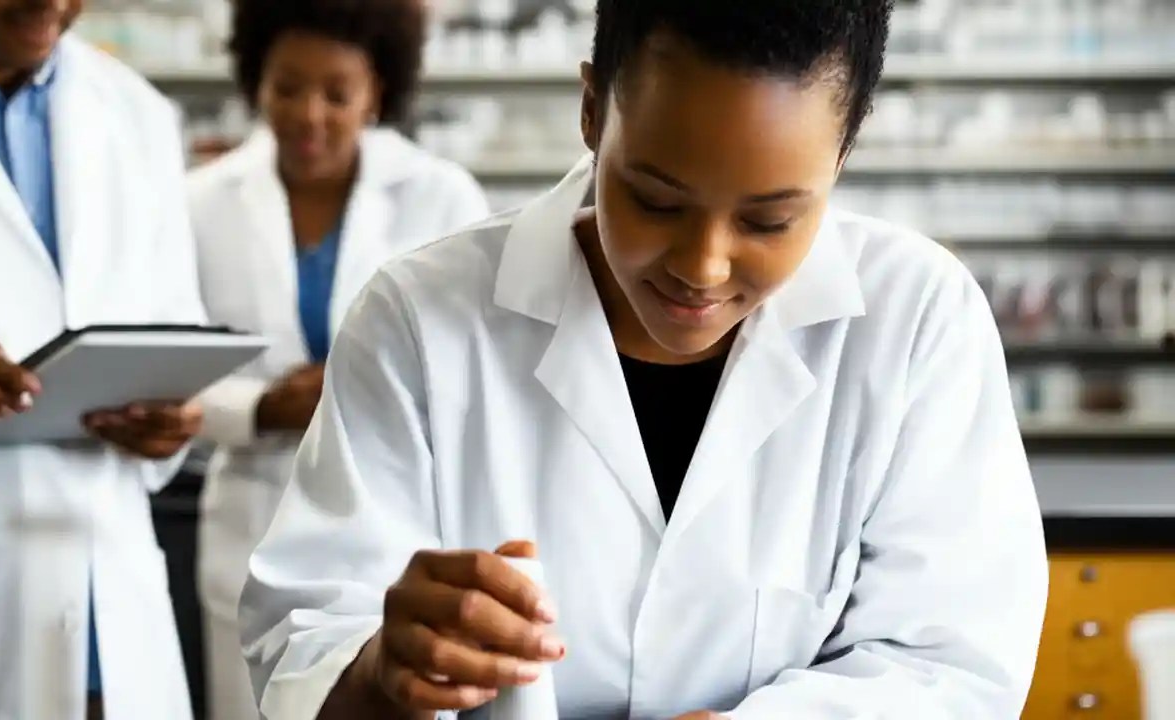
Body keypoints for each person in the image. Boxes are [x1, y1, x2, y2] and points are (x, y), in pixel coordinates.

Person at [241, 0, 1049, 718]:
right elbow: (305, 648)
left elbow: (952, 664)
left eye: (768, 222)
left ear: (844, 148)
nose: (702, 267)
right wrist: (386, 669)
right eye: (656, 200)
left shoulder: (917, 323)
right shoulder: (421, 318)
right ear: (593, 111)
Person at [0, 0, 207, 718]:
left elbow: (173, 332)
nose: (51, 4)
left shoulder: (137, 113)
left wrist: (168, 422)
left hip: (115, 624)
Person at [187, 1, 489, 717]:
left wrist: (365, 388)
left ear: (377, 92)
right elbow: (173, 369)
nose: (308, 115)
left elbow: (480, 366)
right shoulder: (200, 203)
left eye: (336, 93)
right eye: (286, 87)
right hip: (250, 517)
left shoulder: (441, 196)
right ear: (256, 80)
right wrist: (261, 406)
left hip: (404, 521)